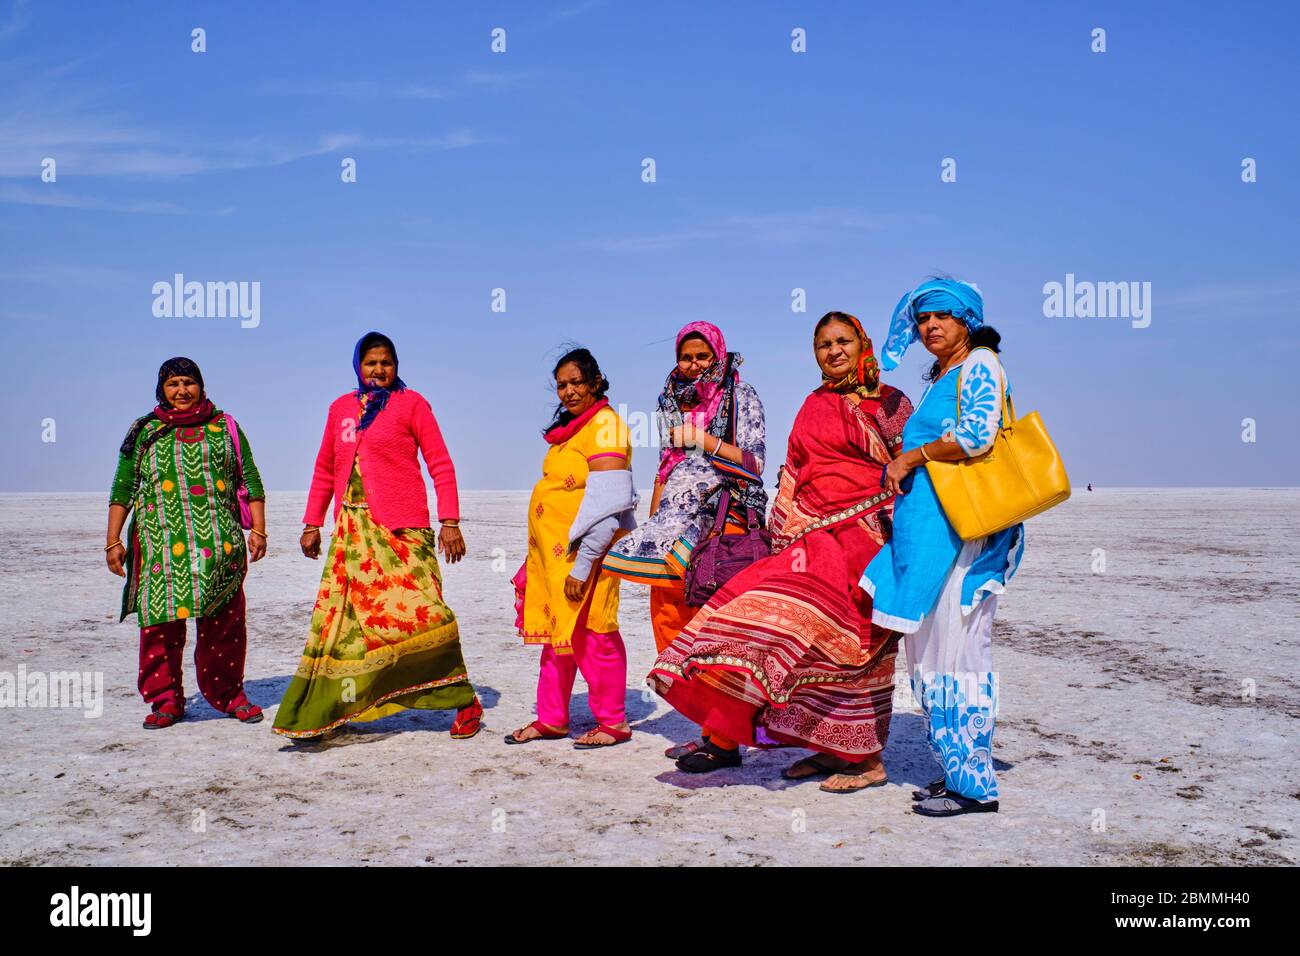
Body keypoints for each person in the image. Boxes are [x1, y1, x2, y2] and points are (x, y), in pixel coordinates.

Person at [649, 314, 913, 788]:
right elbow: (793, 469)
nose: (833, 351)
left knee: (853, 642)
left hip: (867, 535)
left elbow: (909, 470)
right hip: (810, 535)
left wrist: (896, 530)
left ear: (862, 344)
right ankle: (826, 748)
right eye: (823, 345)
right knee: (772, 623)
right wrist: (784, 530)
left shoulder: (889, 403)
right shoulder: (814, 403)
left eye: (842, 341)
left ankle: (866, 760)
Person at [862, 278, 1025, 817]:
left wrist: (911, 457)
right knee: (933, 651)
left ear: (966, 321)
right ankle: (955, 770)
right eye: (923, 319)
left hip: (965, 536)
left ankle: (975, 785)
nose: (931, 327)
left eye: (943, 317)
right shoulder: (945, 373)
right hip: (934, 531)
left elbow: (977, 435)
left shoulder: (980, 364)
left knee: (960, 654)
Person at [272, 332, 483, 741]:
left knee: (424, 613)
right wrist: (312, 523)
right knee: (346, 622)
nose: (379, 370)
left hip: (402, 529)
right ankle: (329, 708)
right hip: (351, 531)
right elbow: (324, 469)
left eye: (386, 362)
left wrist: (450, 520)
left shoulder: (412, 404)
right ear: (358, 366)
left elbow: (440, 463)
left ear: (396, 366)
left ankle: (463, 700)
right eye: (371, 362)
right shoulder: (340, 409)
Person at [604, 322, 767, 760]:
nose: (693, 365)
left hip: (719, 526)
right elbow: (665, 465)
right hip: (672, 528)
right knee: (670, 622)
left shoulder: (740, 395)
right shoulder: (671, 399)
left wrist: (704, 441)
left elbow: (754, 462)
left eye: (702, 357)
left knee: (711, 628)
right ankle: (711, 728)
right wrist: (653, 520)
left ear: (717, 355)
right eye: (686, 356)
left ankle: (727, 739)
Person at [106, 357, 267, 729]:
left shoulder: (225, 427)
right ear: (161, 390)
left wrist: (258, 530)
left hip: (218, 545)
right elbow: (123, 486)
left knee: (224, 625)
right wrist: (112, 539)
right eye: (173, 384)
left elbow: (250, 479)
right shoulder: (144, 431)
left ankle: (229, 695)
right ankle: (165, 700)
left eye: (188, 382)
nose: (182, 391)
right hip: (159, 546)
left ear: (201, 385)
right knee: (160, 627)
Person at [507, 348, 637, 749]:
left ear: (595, 382)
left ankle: (614, 723)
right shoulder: (571, 430)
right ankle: (552, 718)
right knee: (558, 636)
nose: (567, 391)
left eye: (576, 382)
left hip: (587, 557)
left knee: (595, 635)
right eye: (561, 385)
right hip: (553, 558)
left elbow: (610, 507)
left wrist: (583, 566)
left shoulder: (606, 427)